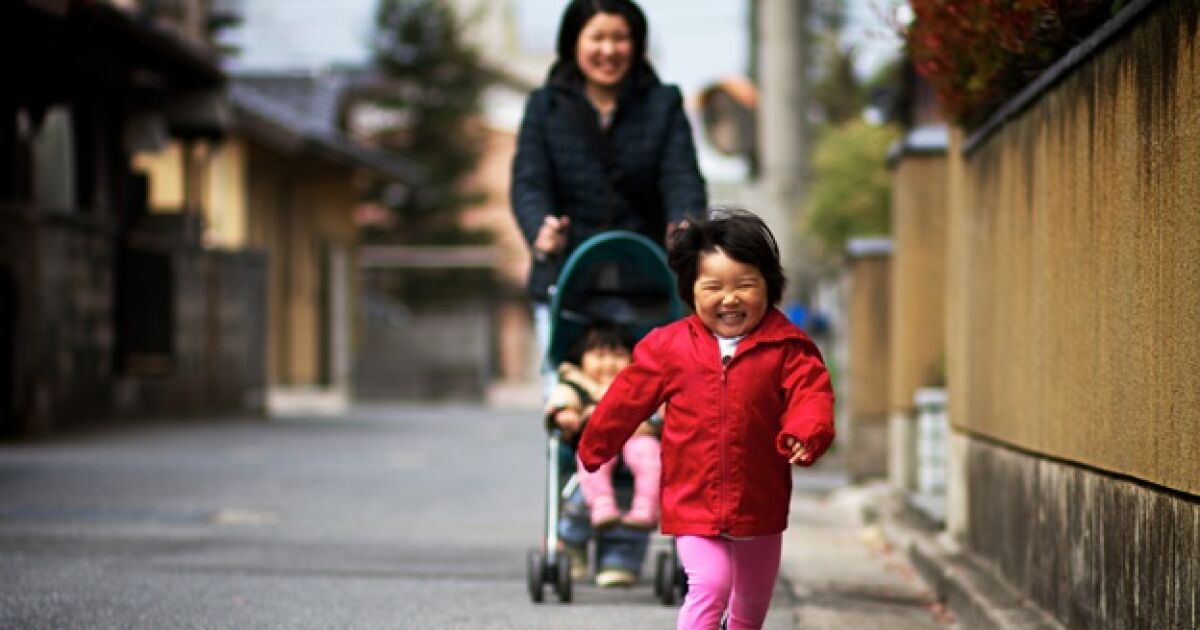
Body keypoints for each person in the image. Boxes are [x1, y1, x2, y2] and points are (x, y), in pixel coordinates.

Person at [577, 209, 836, 630]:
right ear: (691, 291)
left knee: (750, 608)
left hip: (760, 503)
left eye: (745, 285)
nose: (730, 298)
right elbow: (627, 397)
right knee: (711, 585)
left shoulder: (787, 346)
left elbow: (812, 395)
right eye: (713, 286)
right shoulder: (668, 346)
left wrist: (806, 432)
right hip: (693, 497)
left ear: (769, 286)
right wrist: (596, 443)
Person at [510, 0, 708, 393]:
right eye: (597, 37)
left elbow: (681, 177)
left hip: (648, 278)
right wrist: (541, 228)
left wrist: (685, 226)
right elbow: (529, 182)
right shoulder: (545, 106)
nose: (609, 50)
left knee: (655, 401)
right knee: (574, 400)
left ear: (636, 44)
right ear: (574, 43)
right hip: (569, 281)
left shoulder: (663, 103)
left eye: (620, 38)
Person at [546, 326, 661, 531]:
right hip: (597, 441)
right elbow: (563, 398)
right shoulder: (576, 382)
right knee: (593, 453)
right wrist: (566, 413)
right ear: (580, 358)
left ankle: (646, 507)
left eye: (618, 356)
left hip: (637, 435)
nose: (609, 364)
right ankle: (601, 504)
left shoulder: (641, 383)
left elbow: (659, 407)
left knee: (649, 451)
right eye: (599, 356)